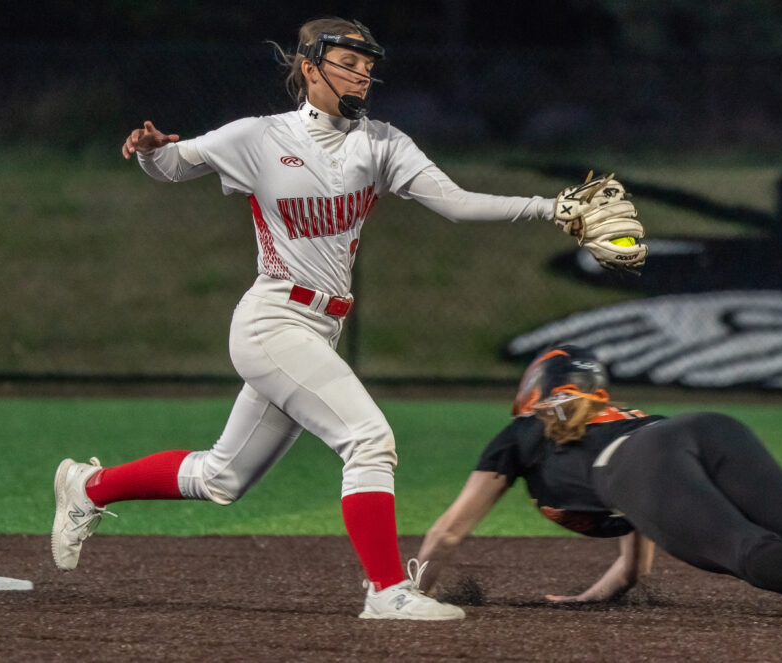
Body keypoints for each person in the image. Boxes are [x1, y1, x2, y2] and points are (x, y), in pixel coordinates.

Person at [50, 17, 609, 621]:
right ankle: (388, 592)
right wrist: (151, 150)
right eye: (349, 62)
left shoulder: (382, 142)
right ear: (309, 67)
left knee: (222, 477)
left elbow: (455, 204)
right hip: (272, 321)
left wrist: (553, 207)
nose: (363, 74)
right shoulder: (258, 137)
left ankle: (87, 486)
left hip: (318, 329)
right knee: (369, 440)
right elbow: (174, 165)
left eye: (369, 66)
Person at [415, 345, 782, 630]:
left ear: (536, 387)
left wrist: (411, 589)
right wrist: (595, 597)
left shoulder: (523, 431)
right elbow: (636, 564)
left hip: (635, 468)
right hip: (700, 427)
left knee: (743, 550)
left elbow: (449, 531)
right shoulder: (621, 412)